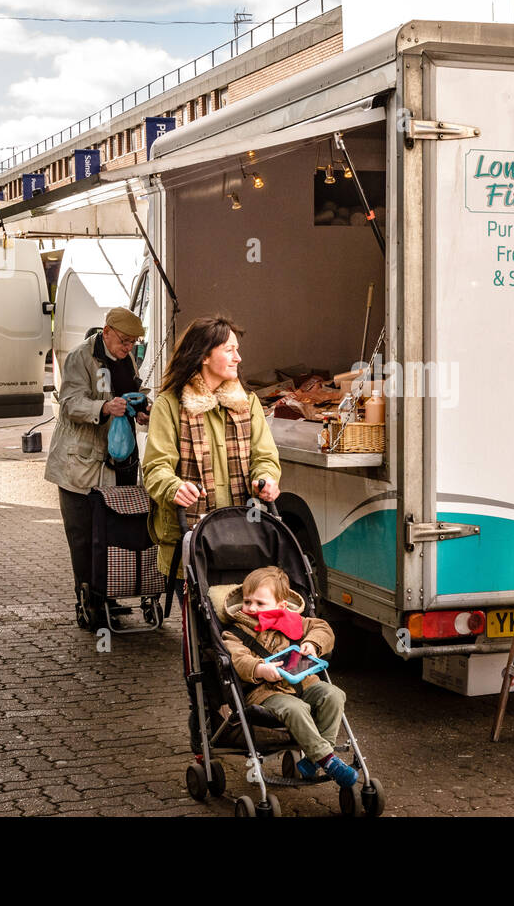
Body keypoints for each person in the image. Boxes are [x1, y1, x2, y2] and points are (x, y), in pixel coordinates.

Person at [143, 315, 281, 581]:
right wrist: (174, 487)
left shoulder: (248, 403)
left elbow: (265, 457)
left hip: (245, 535)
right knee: (200, 617)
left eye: (237, 350)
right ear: (204, 356)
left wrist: (266, 479)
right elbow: (155, 468)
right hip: (190, 536)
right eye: (229, 350)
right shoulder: (169, 405)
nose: (238, 358)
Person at [44, 307, 150, 613]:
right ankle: (89, 600)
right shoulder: (80, 358)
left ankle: (110, 596)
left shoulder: (125, 358)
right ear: (106, 332)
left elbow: (133, 392)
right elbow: (70, 405)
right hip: (81, 467)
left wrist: (141, 407)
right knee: (83, 537)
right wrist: (104, 408)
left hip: (119, 463)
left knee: (111, 533)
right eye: (125, 341)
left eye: (133, 343)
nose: (129, 347)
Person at [221, 566, 357, 786]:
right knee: (296, 708)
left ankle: (317, 759)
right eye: (247, 602)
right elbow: (237, 658)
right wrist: (259, 668)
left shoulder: (295, 621)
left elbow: (323, 628)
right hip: (266, 693)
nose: (251, 608)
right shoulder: (235, 632)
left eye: (260, 603)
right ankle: (327, 759)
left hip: (304, 683)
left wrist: (312, 644)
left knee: (334, 694)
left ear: (281, 605)